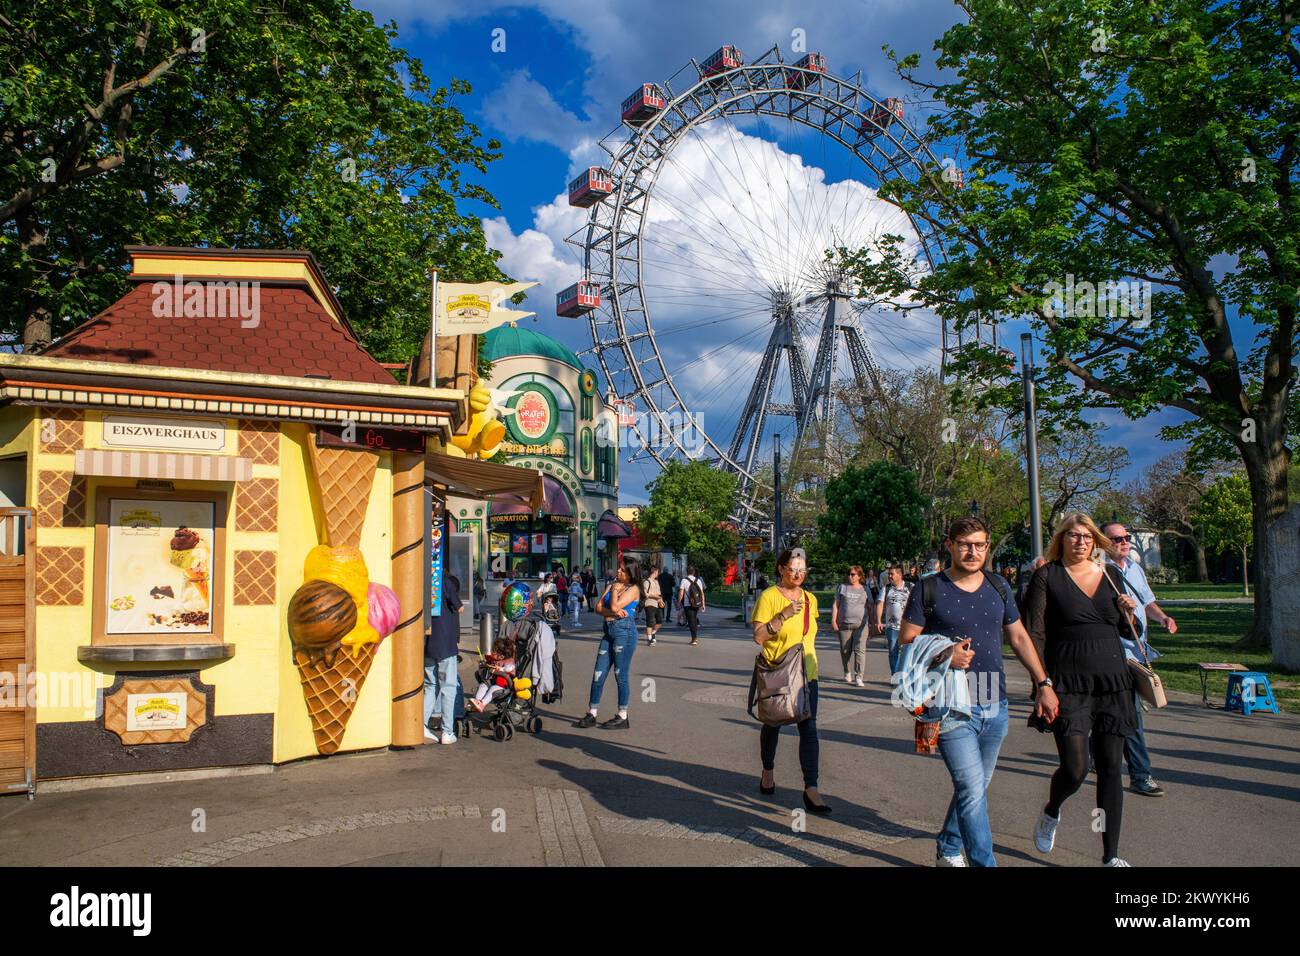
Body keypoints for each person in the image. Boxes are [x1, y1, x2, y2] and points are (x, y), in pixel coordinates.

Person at [899, 517, 1057, 867]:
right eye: (964, 544)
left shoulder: (998, 586)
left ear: (988, 547)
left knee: (975, 789)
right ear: (950, 545)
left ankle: (949, 846)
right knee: (971, 790)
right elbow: (905, 644)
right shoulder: (928, 588)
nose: (972, 552)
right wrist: (945, 654)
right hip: (950, 705)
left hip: (995, 704)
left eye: (979, 545)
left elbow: (1018, 637)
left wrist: (1043, 683)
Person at [1024, 514, 1140, 867]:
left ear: (1094, 541)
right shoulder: (1047, 575)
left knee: (1109, 769)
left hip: (1112, 683)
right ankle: (1051, 809)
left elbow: (1125, 629)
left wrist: (1129, 614)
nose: (1081, 542)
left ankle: (1110, 855)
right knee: (1076, 768)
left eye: (1087, 536)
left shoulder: (1110, 574)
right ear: (1062, 538)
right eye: (1074, 535)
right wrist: (1041, 684)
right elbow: (1035, 633)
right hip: (1068, 683)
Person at [1101, 521, 1178, 798]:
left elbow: (1147, 602)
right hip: (1114, 651)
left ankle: (1097, 753)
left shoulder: (1134, 568)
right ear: (1104, 542)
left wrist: (1163, 618)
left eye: (1127, 537)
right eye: (1117, 538)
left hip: (1138, 648)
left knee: (1113, 710)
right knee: (1132, 713)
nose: (1124, 541)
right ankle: (1140, 775)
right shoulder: (1098, 572)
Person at [752, 548, 830, 812]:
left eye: (802, 569)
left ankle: (811, 788)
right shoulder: (769, 597)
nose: (798, 574)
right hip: (778, 671)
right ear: (781, 569)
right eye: (793, 568)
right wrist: (782, 615)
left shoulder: (811, 599)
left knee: (809, 729)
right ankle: (768, 770)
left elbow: (808, 638)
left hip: (807, 674)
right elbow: (759, 637)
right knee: (772, 724)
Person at [575, 556, 643, 729]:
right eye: (618, 568)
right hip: (608, 631)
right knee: (598, 673)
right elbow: (598, 608)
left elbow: (614, 606)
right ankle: (592, 713)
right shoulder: (613, 584)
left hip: (624, 633)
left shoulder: (633, 588)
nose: (618, 571)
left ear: (630, 573)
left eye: (622, 569)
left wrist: (613, 594)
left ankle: (622, 715)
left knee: (620, 675)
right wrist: (612, 611)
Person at [423, 572, 465, 745]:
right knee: (449, 687)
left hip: (428, 644)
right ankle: (447, 731)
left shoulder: (425, 581)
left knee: (431, 685)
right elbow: (460, 607)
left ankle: (422, 725)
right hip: (446, 646)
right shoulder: (445, 581)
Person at [831, 566, 873, 686]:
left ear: (859, 576)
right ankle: (847, 671)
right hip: (844, 624)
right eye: (849, 574)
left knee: (860, 650)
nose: (850, 576)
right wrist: (833, 621)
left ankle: (859, 676)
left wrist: (873, 623)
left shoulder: (865, 589)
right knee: (845, 651)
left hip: (861, 625)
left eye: (853, 574)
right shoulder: (842, 587)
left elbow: (870, 606)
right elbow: (836, 605)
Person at [877, 564, 911, 678]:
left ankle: (905, 675)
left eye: (892, 574)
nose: (889, 576)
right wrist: (878, 620)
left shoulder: (910, 587)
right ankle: (895, 676)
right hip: (892, 626)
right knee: (893, 652)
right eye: (889, 574)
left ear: (900, 574)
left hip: (908, 627)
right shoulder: (886, 589)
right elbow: (880, 604)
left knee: (907, 653)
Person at [467, 635, 516, 712]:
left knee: (493, 689)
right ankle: (477, 702)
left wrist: (501, 669)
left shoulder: (508, 662)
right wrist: (484, 664)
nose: (491, 652)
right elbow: (488, 664)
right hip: (493, 682)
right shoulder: (494, 660)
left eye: (494, 651)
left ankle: (483, 703)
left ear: (501, 656)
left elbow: (510, 668)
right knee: (483, 685)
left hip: (504, 685)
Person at [678, 565, 707, 645]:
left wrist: (679, 602)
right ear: (694, 572)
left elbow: (681, 593)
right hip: (697, 603)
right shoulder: (698, 580)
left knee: (691, 621)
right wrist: (703, 604)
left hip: (688, 604)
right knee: (693, 619)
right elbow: (702, 593)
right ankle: (694, 638)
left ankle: (694, 639)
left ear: (687, 572)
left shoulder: (684, 580)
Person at [642, 564, 665, 645]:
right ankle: (649, 639)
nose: (658, 573)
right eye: (657, 571)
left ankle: (653, 633)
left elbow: (659, 593)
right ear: (654, 572)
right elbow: (646, 594)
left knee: (660, 621)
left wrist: (661, 600)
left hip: (657, 604)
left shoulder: (656, 581)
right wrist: (655, 596)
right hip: (649, 603)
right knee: (650, 622)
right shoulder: (646, 581)